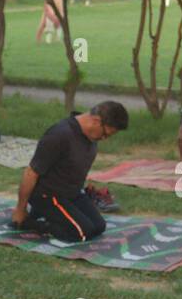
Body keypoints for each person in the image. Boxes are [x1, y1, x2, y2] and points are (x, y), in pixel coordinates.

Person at [12, 102, 129, 242]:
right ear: (96, 121)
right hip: (48, 195)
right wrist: (20, 208)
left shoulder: (91, 135)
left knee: (99, 227)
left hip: (72, 193)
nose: (104, 139)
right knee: (82, 233)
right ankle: (32, 223)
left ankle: (44, 214)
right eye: (105, 134)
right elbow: (31, 172)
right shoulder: (60, 134)